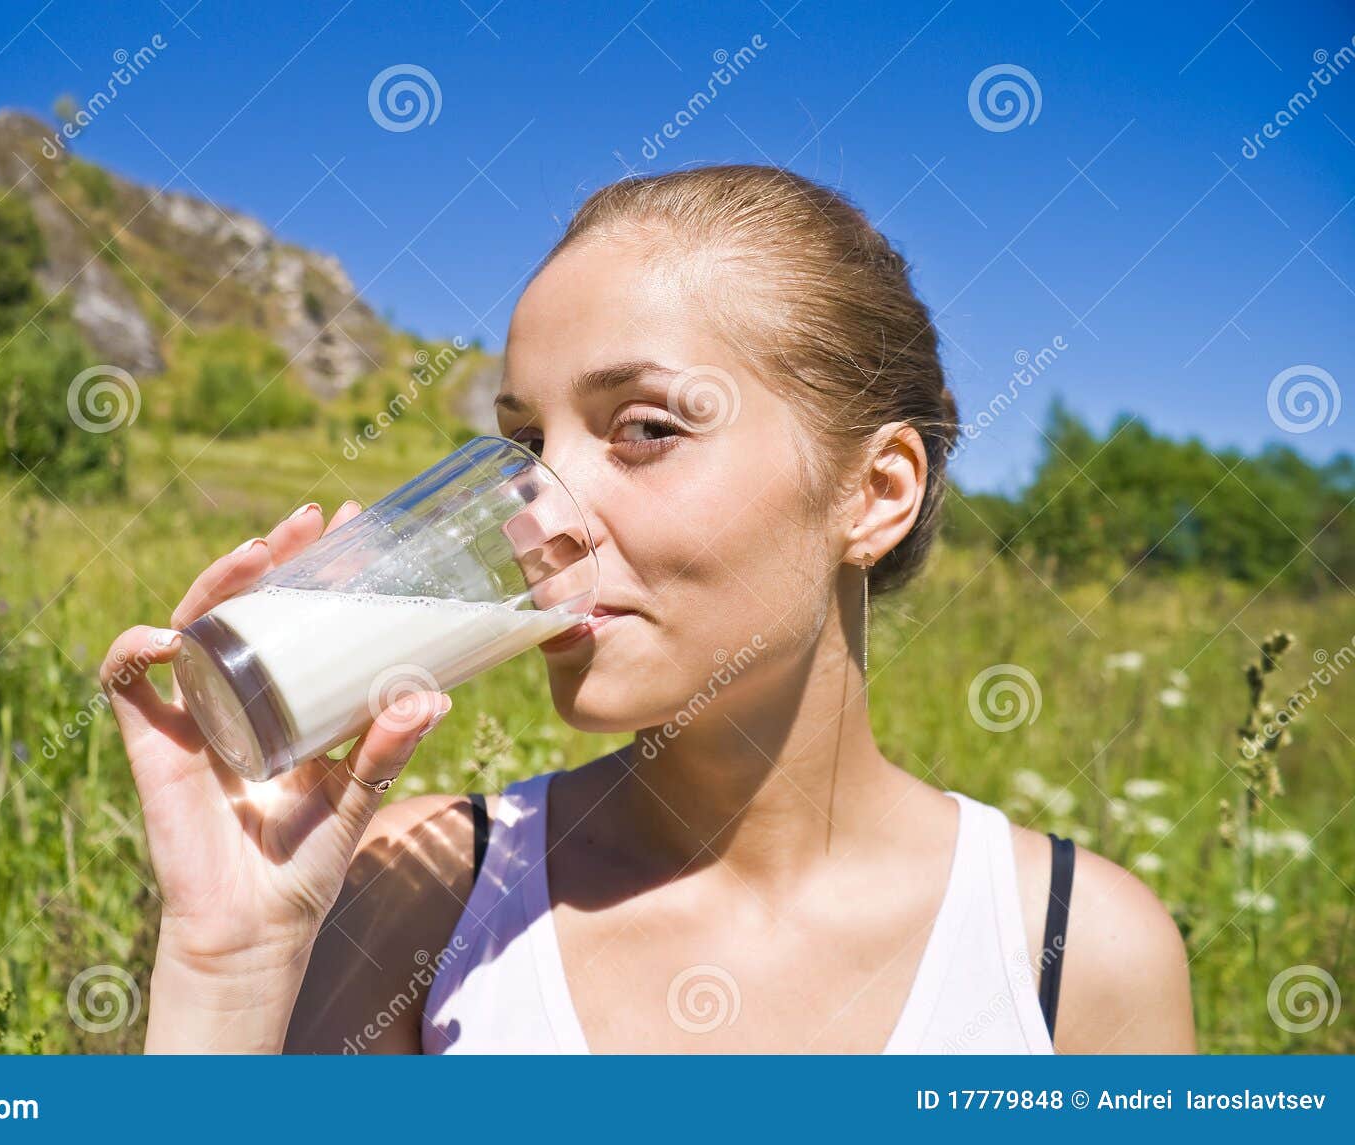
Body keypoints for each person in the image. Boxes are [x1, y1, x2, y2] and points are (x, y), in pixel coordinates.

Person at [103, 165, 1196, 1054]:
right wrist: (229, 964)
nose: (537, 516)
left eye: (646, 428)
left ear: (874, 493)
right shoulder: (413, 891)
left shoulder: (1072, 953)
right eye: (527, 446)